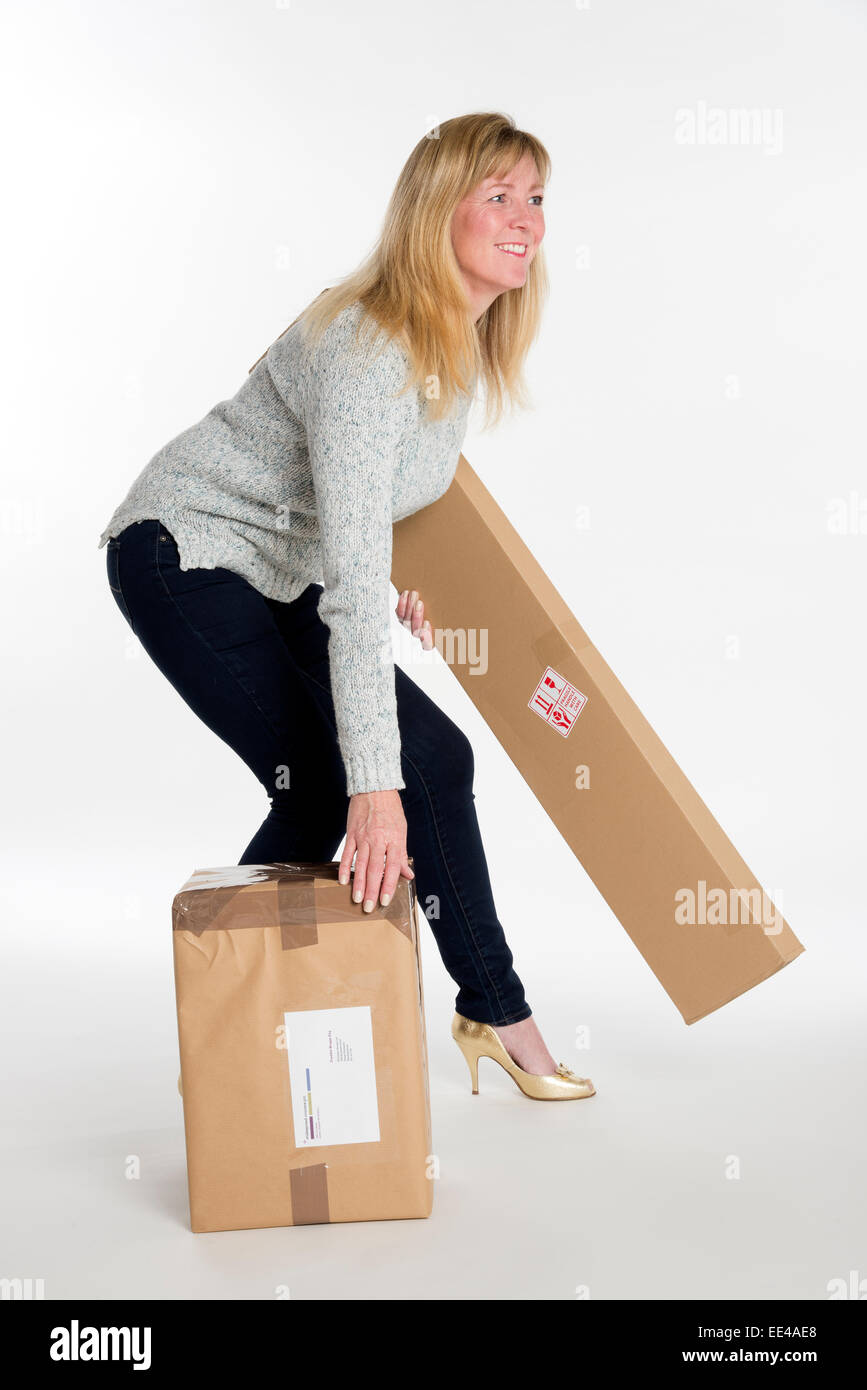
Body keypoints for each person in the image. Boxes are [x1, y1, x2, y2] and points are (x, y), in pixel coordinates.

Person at [98, 111, 595, 1102]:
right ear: (433, 213)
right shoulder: (372, 348)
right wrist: (378, 796)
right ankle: (232, 1032)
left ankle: (490, 1007)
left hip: (280, 567)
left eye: (535, 197)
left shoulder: (451, 352)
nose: (525, 219)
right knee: (328, 784)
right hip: (184, 551)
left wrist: (387, 573)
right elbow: (356, 594)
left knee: (437, 760)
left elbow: (354, 516)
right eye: (496, 195)